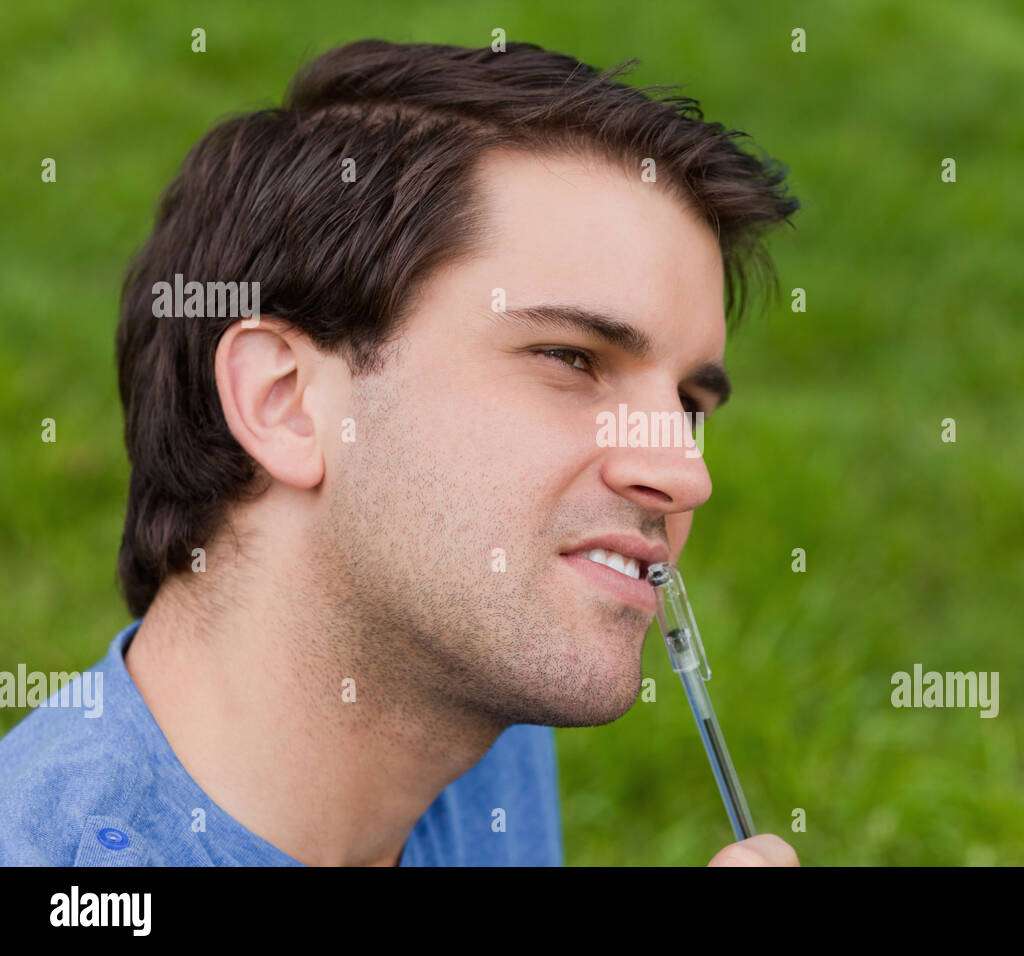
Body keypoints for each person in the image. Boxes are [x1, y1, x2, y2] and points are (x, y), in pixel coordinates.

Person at [0, 38, 801, 866]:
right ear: (284, 402)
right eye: (570, 358)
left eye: (689, 404)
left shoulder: (468, 705)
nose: (683, 474)